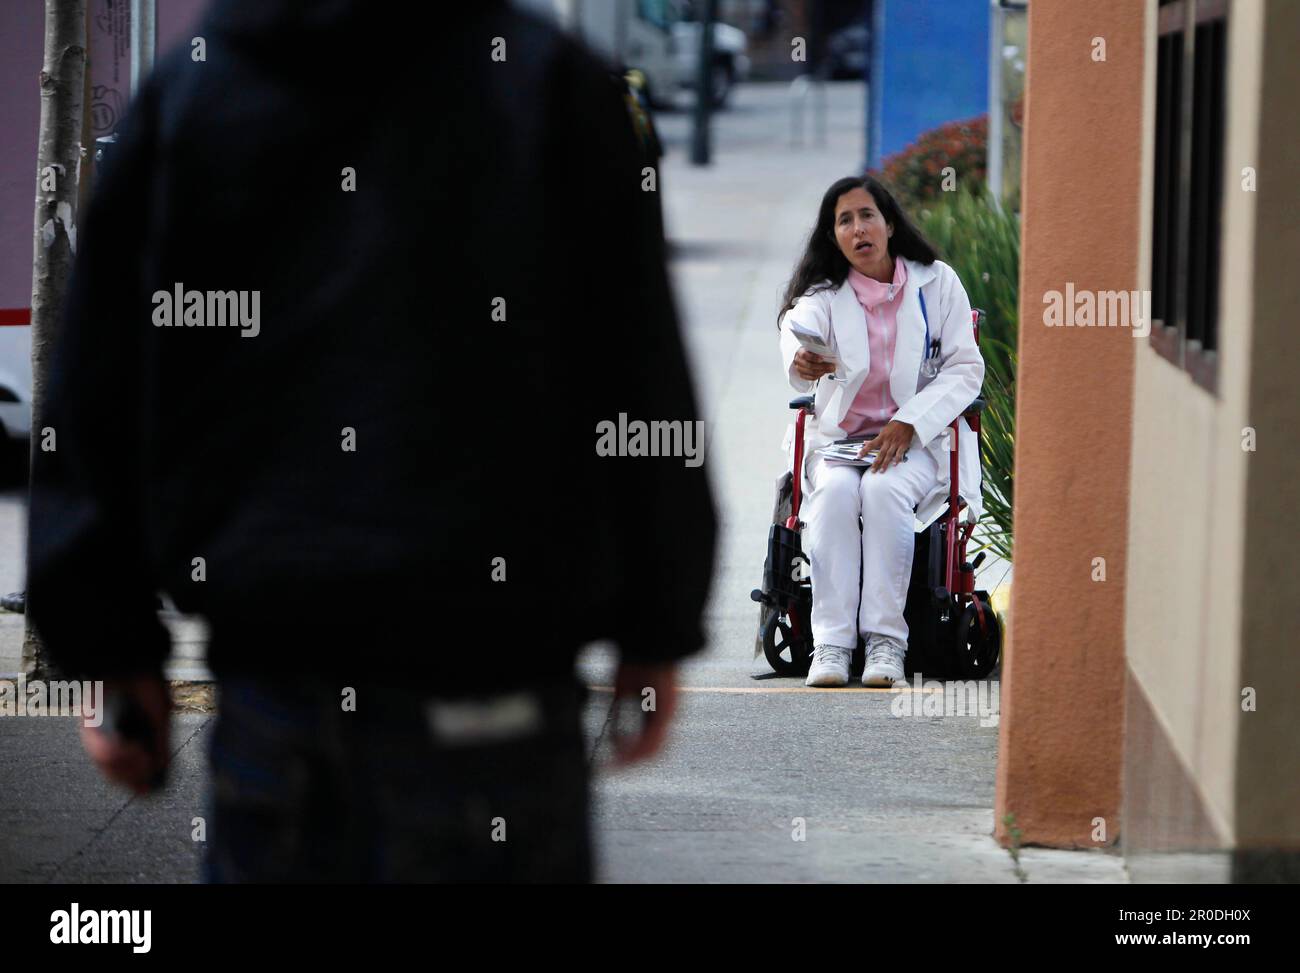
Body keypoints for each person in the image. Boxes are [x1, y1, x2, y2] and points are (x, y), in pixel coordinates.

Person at [27, 0, 715, 882]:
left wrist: (110, 643)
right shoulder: (550, 86)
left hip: (280, 676)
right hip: (497, 684)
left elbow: (99, 392)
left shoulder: (196, 92)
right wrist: (656, 625)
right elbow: (639, 372)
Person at [776, 175, 983, 688]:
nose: (858, 228)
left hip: (918, 442)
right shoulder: (825, 296)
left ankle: (886, 643)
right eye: (844, 221)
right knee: (836, 496)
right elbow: (796, 324)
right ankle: (832, 643)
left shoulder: (938, 284)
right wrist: (801, 358)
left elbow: (965, 368)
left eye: (866, 215)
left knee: (885, 490)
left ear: (889, 224)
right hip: (842, 444)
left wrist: (909, 422)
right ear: (834, 238)